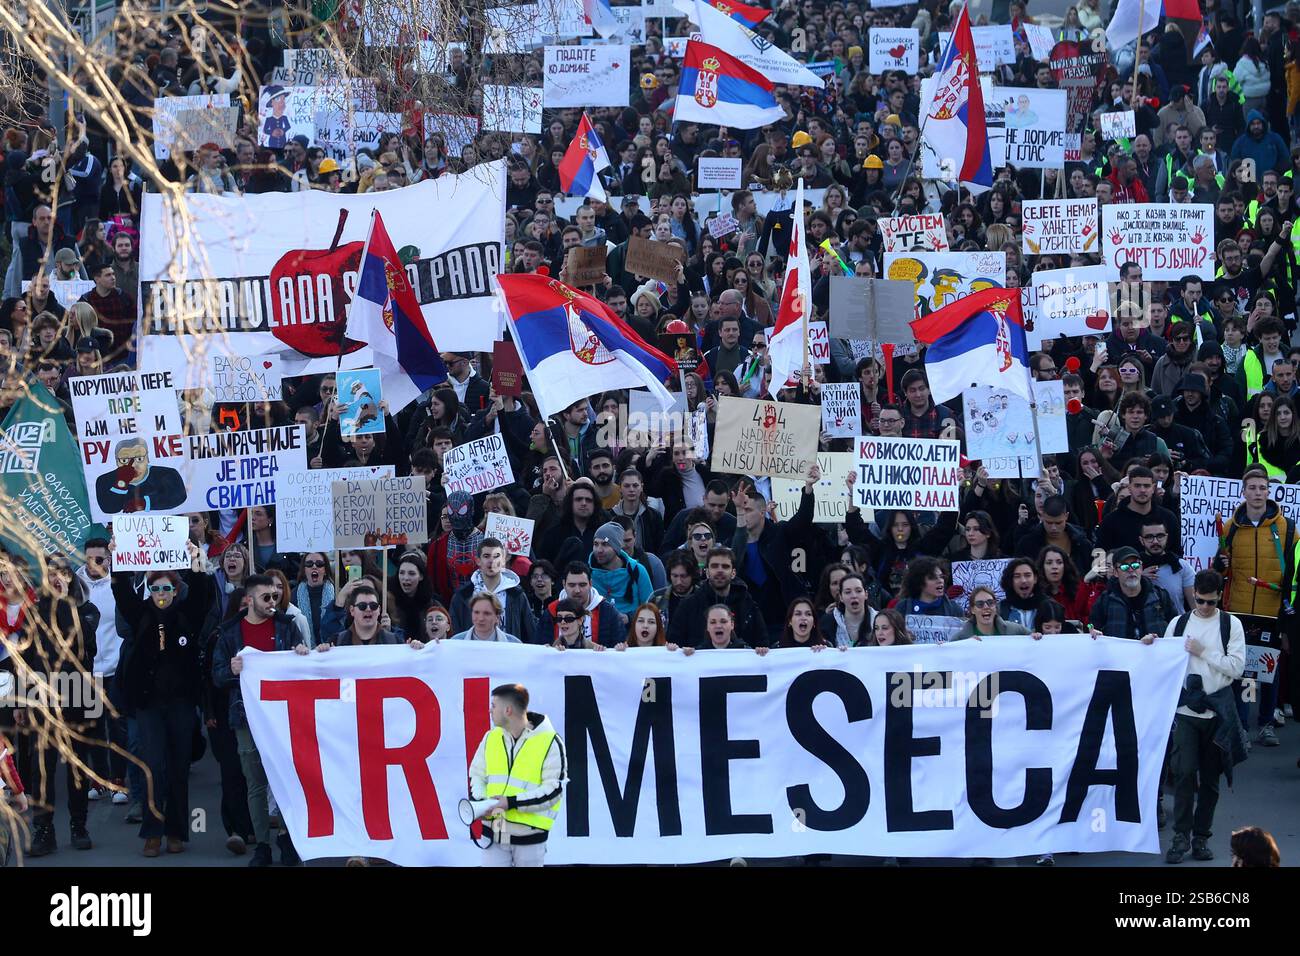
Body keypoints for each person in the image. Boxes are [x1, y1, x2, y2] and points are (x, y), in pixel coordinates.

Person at [110, 543, 213, 857]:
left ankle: (177, 831)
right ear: (150, 591)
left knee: (179, 767)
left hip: (181, 704)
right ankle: (152, 832)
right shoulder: (140, 614)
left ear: (175, 589)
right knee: (154, 766)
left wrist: (197, 562)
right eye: (156, 588)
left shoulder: (187, 616)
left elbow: (202, 595)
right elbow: (122, 592)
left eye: (167, 587)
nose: (162, 593)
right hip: (149, 705)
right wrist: (119, 557)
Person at [212, 574, 308, 867]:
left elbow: (303, 671)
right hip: (247, 716)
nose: (273, 602)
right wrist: (231, 669)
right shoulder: (229, 633)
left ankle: (288, 839)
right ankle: (263, 845)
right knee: (255, 783)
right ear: (250, 600)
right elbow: (217, 676)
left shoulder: (287, 627)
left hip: (282, 717)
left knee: (287, 780)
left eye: (275, 597)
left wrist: (302, 654)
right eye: (266, 597)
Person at [1163, 570, 1247, 864]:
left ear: (1219, 597)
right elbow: (1164, 663)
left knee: (1210, 780)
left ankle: (1201, 837)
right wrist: (1150, 645)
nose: (1204, 607)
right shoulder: (1179, 623)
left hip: (1217, 712)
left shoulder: (1231, 624)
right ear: (1193, 594)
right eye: (1199, 600)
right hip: (1186, 711)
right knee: (1184, 774)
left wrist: (1203, 651)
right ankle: (1180, 836)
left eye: (1210, 602)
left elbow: (1236, 669)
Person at [1216, 466, 1294, 746]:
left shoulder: (1287, 527)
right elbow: (1221, 567)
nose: (1258, 493)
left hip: (1271, 610)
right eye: (1252, 488)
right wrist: (1219, 565)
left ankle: (1266, 724)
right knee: (1242, 672)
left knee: (1268, 670)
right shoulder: (1231, 527)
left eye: (1262, 488)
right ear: (1244, 491)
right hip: (1238, 609)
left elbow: (1294, 568)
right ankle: (1241, 727)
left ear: (1268, 492)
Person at [468, 683, 566, 867]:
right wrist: (480, 804)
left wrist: (510, 802)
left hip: (530, 838)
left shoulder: (550, 741)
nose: (490, 710)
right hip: (494, 834)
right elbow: (477, 776)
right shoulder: (491, 737)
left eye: (493, 706)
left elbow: (553, 791)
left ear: (508, 710)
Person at [449, 538, 535, 642]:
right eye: (486, 556)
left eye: (496, 556)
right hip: (472, 654)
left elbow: (530, 634)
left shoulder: (516, 595)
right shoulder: (463, 595)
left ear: (504, 560)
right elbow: (454, 634)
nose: (491, 561)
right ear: (478, 560)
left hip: (508, 654)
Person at [1089, 547, 1176, 641]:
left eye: (1135, 565)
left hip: (1155, 654)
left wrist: (1158, 639)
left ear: (1141, 568)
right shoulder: (1104, 601)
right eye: (1124, 567)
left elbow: (1176, 627)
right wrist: (1092, 631)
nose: (1131, 570)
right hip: (1118, 655)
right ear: (1115, 572)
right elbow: (1090, 625)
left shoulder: (1160, 596)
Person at [952, 586, 1031, 639]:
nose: (986, 607)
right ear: (972, 609)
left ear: (995, 607)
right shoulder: (960, 638)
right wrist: (942, 648)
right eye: (980, 604)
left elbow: (1033, 637)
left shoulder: (1013, 629)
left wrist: (1035, 636)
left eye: (990, 602)